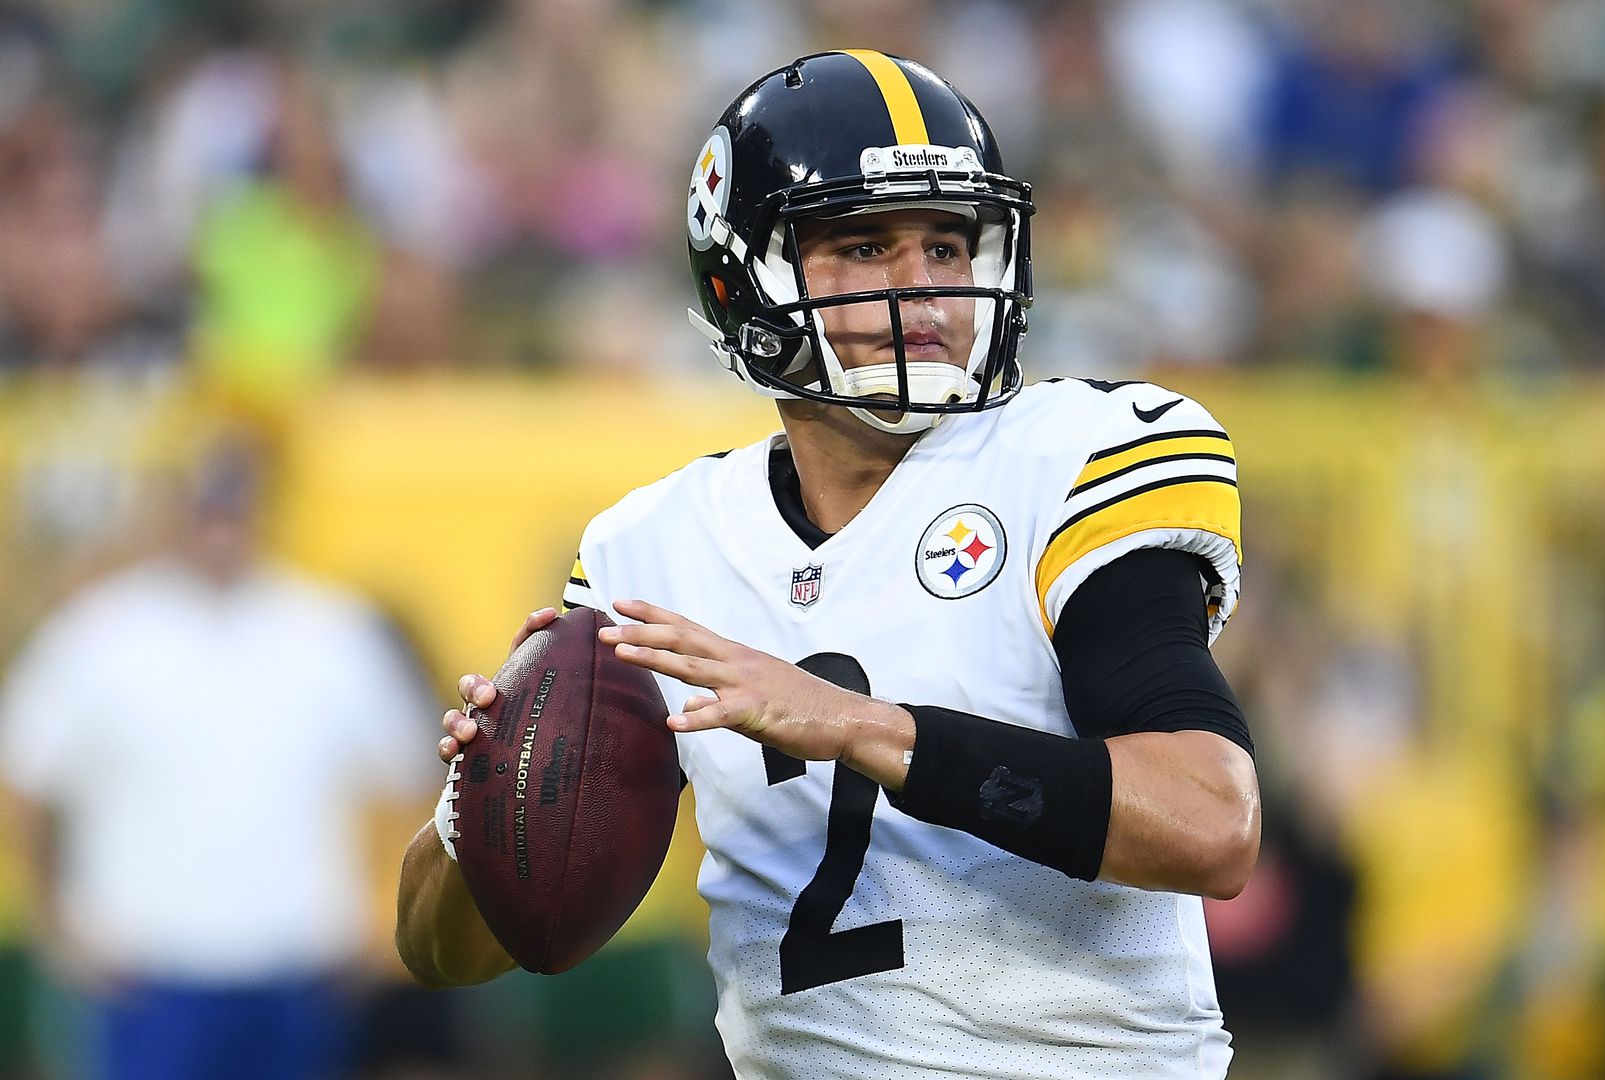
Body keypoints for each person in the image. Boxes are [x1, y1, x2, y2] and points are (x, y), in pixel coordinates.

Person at [397, 50, 1259, 1078]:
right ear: (744, 279)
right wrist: (485, 805)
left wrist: (858, 725)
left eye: (947, 244)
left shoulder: (1074, 460)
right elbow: (441, 953)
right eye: (865, 246)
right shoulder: (655, 546)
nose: (924, 287)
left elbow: (1212, 823)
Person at [0, 430, 433, 1080]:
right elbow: (24, 777)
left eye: (235, 508)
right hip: (148, 974)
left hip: (300, 970)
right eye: (208, 508)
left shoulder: (331, 631)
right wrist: (57, 922)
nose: (222, 529)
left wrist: (383, 926)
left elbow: (414, 781)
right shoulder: (103, 633)